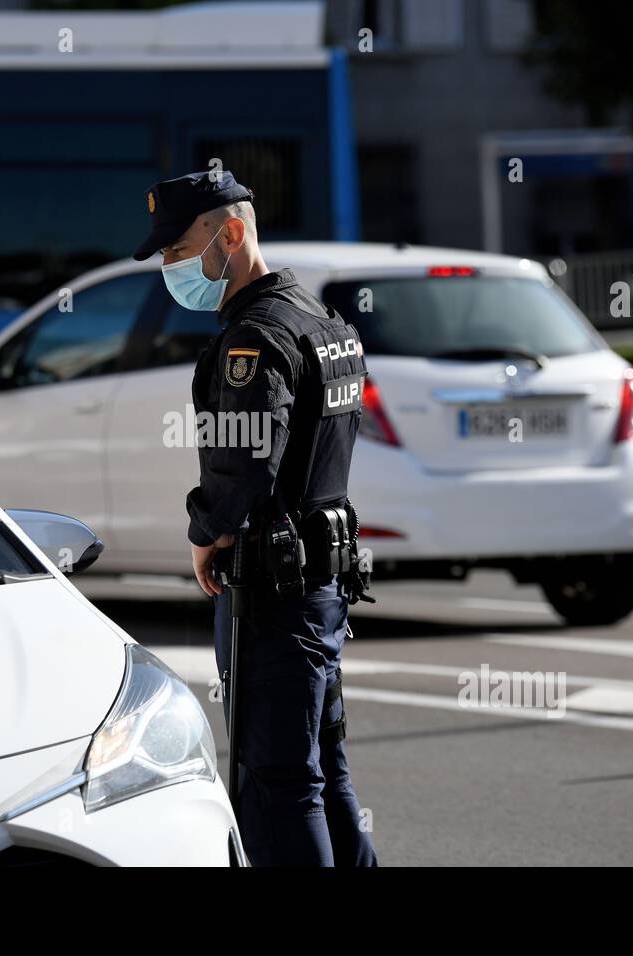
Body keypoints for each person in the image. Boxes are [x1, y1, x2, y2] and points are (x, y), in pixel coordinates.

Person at [133, 169, 379, 866]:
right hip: (323, 584)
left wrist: (206, 534)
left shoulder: (255, 338)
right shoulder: (324, 323)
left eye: (179, 251)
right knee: (323, 773)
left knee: (274, 783)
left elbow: (245, 463)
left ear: (231, 235)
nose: (171, 268)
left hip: (271, 592)